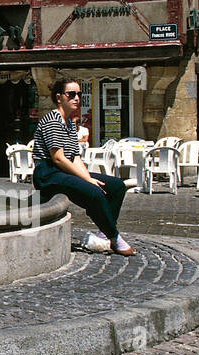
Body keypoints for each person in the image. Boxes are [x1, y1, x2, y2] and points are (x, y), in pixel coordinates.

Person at [31, 79, 134, 256]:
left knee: (117, 186)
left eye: (79, 94)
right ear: (59, 97)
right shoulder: (52, 120)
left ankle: (104, 232)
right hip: (48, 173)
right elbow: (58, 158)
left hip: (64, 169)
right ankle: (115, 237)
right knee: (94, 192)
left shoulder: (70, 123)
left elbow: (75, 157)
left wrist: (87, 176)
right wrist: (87, 180)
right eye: (71, 94)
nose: (77, 98)